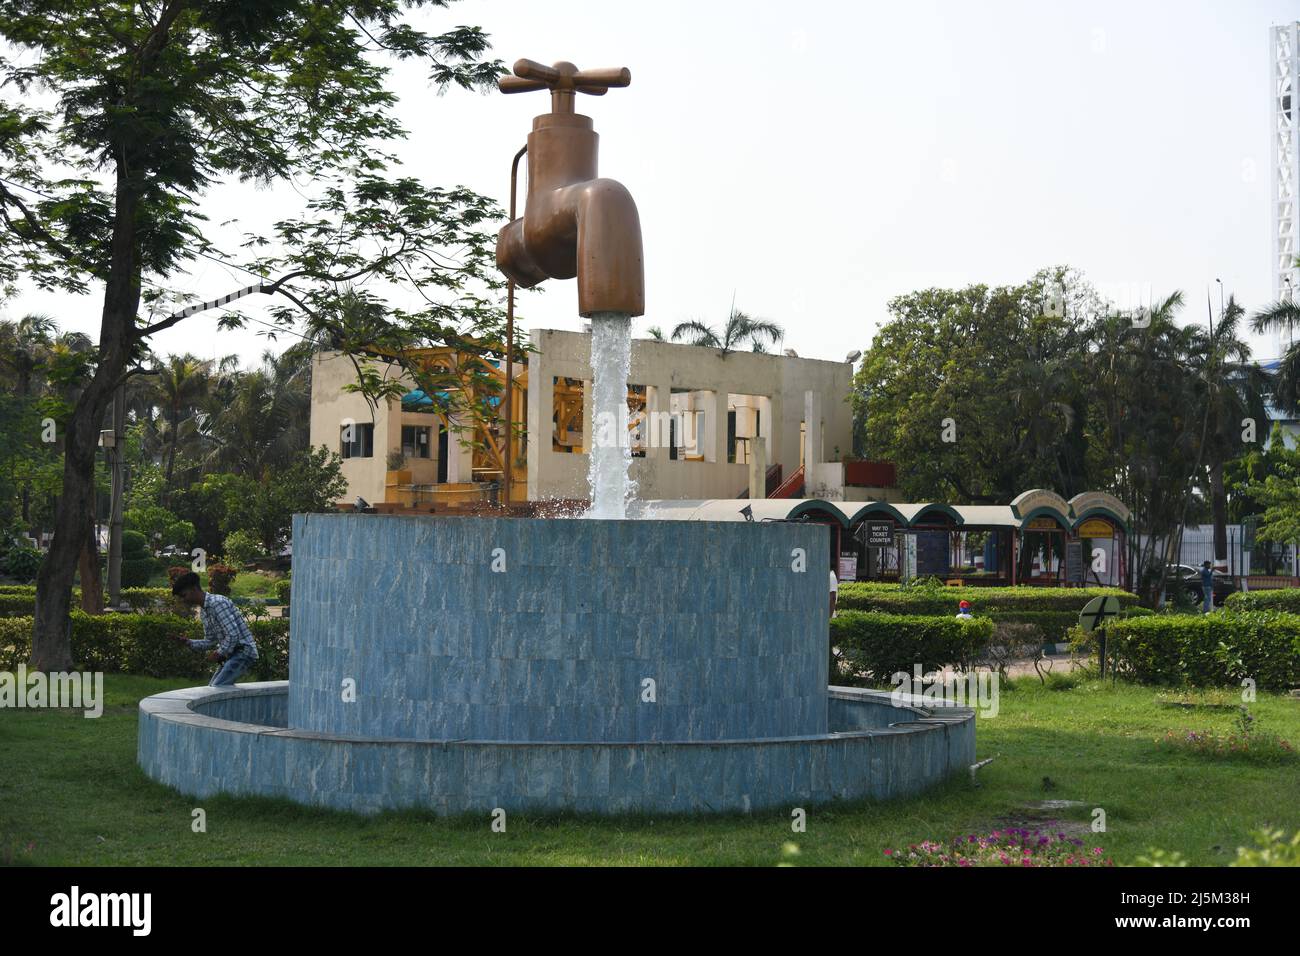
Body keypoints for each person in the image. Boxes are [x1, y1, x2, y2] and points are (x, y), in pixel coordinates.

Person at [170, 571, 259, 686]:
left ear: (193, 589)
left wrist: (218, 653)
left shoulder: (217, 603)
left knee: (217, 688)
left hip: (243, 651)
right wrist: (189, 642)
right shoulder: (204, 611)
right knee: (212, 688)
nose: (183, 600)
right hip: (231, 654)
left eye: (183, 595)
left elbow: (233, 635)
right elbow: (210, 641)